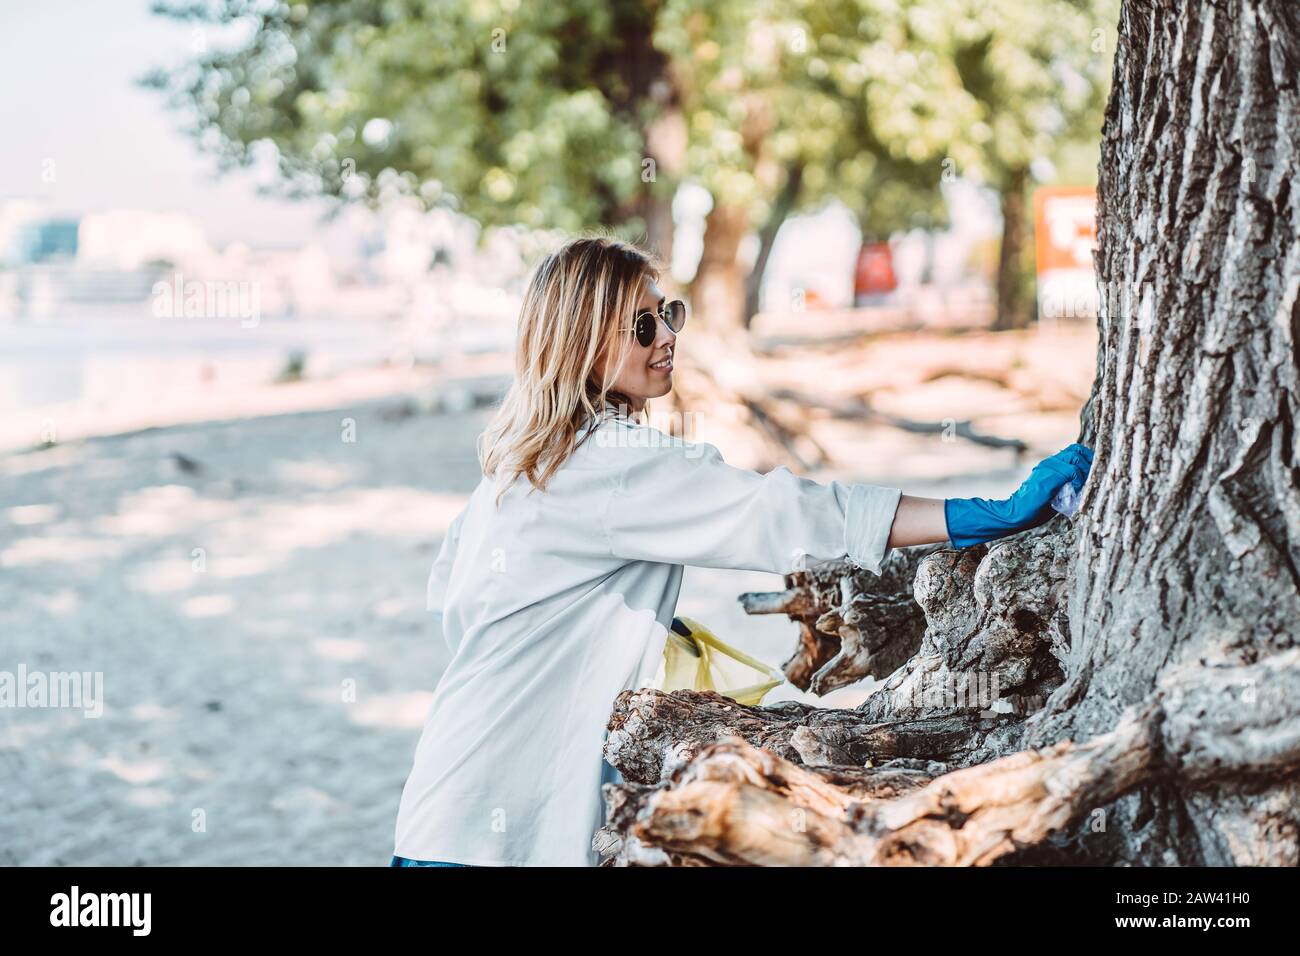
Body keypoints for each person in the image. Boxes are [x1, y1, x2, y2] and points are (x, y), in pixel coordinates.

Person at [390, 235, 1092, 867]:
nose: (666, 335)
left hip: (441, 810)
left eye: (670, 313)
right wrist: (987, 515)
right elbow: (783, 511)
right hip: (494, 836)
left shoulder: (513, 468)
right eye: (642, 324)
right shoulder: (609, 460)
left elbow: (452, 601)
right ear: (585, 341)